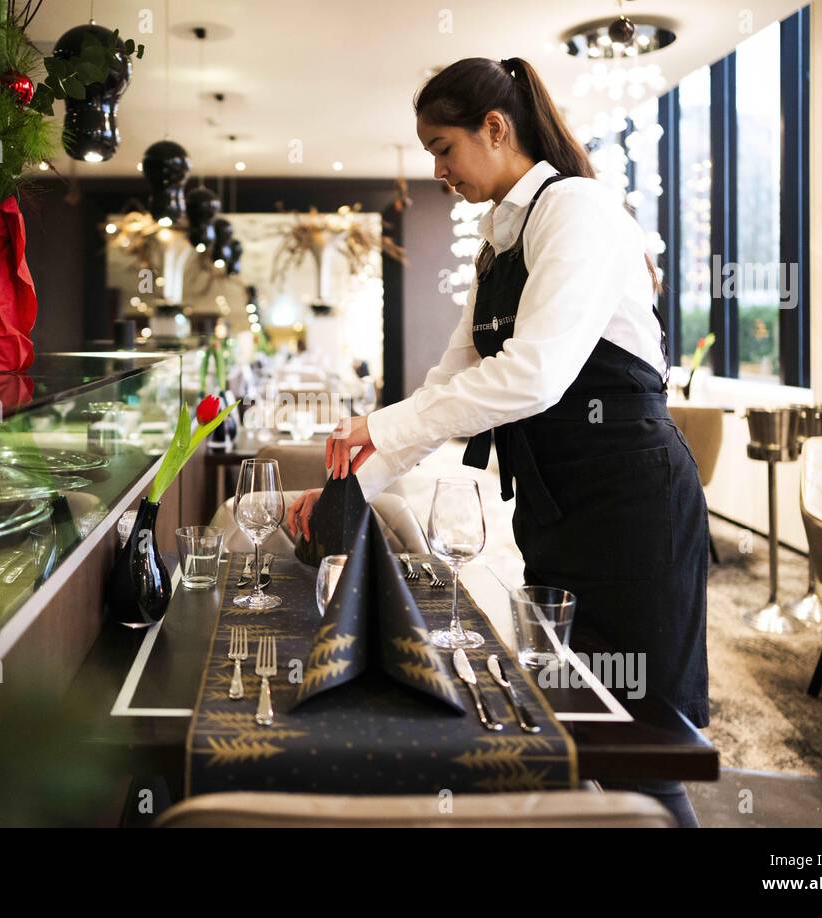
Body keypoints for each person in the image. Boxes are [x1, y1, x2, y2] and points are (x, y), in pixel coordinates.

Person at [287, 56, 708, 828]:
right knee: (565, 720)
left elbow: (534, 376)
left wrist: (376, 428)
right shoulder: (495, 246)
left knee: (638, 739)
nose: (437, 169)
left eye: (443, 146)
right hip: (556, 506)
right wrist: (350, 489)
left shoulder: (575, 207)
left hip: (633, 503)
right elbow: (450, 387)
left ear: (495, 127)